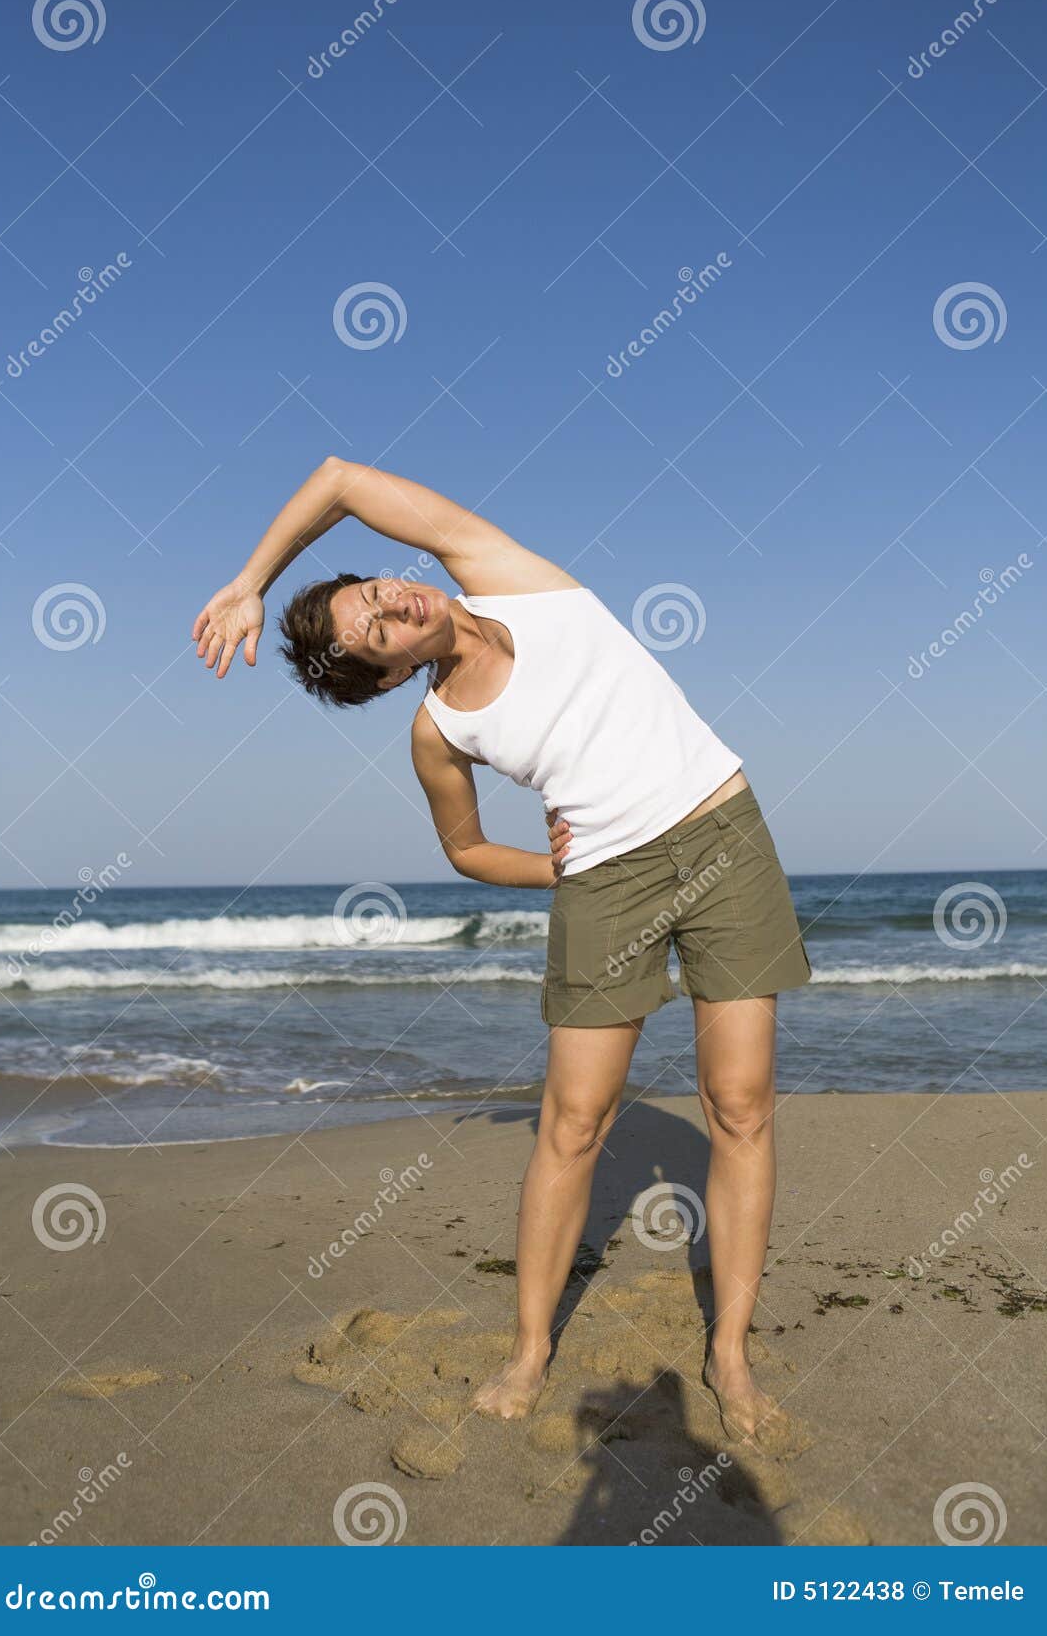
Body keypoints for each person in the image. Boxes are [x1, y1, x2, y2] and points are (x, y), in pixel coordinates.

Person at [192, 456, 811, 1438]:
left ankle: (728, 1353)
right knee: (571, 1120)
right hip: (604, 880)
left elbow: (340, 478)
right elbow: (466, 848)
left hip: (721, 833)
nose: (394, 605)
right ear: (391, 675)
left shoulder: (501, 567)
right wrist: (555, 872)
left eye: (373, 593)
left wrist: (251, 582)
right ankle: (528, 1350)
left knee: (737, 1103)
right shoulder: (439, 730)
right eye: (378, 633)